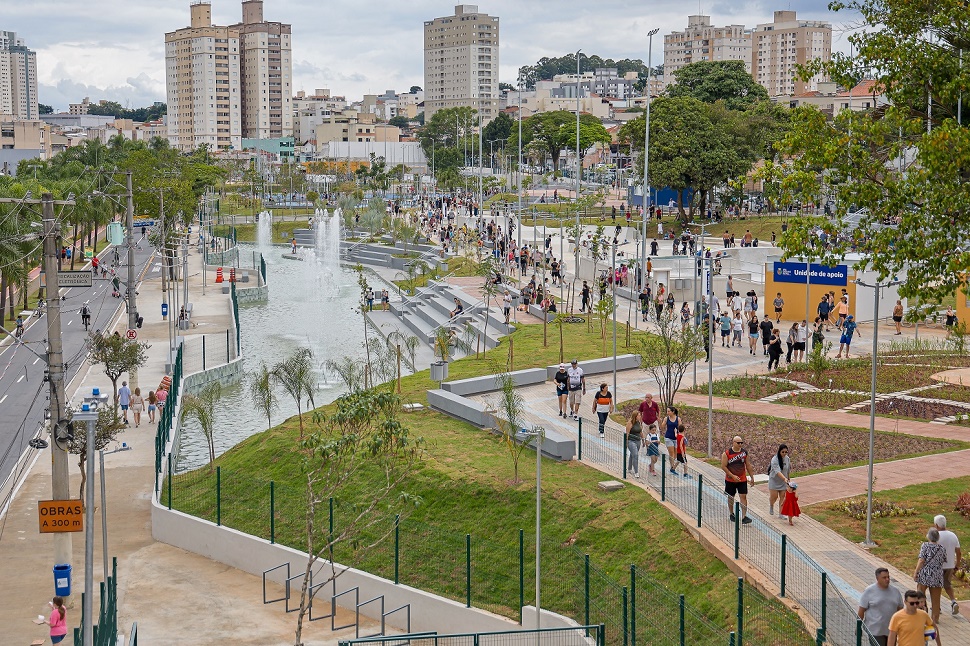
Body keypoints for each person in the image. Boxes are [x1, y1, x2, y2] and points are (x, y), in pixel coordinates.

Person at [859, 568, 905, 646]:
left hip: (891, 630)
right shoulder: (869, 591)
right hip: (875, 631)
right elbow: (861, 610)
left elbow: (900, 610)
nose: (887, 579)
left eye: (888, 577)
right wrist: (858, 626)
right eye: (884, 577)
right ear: (877, 578)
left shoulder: (895, 591)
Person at [914, 528, 947, 626]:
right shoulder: (942, 548)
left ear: (928, 536)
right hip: (937, 575)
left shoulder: (925, 546)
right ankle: (935, 620)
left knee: (920, 595)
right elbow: (944, 560)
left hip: (925, 574)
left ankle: (922, 615)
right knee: (936, 600)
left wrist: (916, 572)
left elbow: (921, 560)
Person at [932, 515, 962, 616]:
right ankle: (953, 602)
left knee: (936, 586)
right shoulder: (953, 535)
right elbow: (958, 552)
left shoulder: (935, 536)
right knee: (947, 584)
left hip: (938, 565)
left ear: (936, 525)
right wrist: (957, 564)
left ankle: (937, 607)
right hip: (950, 565)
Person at [721, 436, 754, 524]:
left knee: (743, 496)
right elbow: (723, 466)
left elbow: (748, 464)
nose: (740, 445)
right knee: (731, 496)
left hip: (742, 479)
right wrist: (732, 475)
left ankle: (744, 516)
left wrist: (751, 477)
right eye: (738, 443)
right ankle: (731, 513)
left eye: (741, 443)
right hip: (730, 480)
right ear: (733, 442)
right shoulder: (727, 453)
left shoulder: (744, 452)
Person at [625, 409, 644, 479]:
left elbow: (641, 432)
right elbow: (627, 433)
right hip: (631, 441)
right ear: (635, 416)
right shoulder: (630, 423)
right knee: (635, 455)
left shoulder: (639, 422)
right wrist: (626, 442)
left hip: (638, 441)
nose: (640, 416)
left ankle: (629, 468)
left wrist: (643, 440)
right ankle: (636, 472)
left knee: (632, 454)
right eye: (639, 415)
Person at [663, 406, 681, 472]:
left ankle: (672, 466)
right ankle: (672, 467)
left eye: (669, 411)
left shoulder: (678, 419)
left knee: (676, 454)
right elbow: (662, 426)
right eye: (667, 411)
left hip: (676, 438)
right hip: (668, 437)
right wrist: (661, 423)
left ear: (673, 412)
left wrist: (678, 433)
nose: (667, 413)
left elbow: (680, 428)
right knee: (671, 453)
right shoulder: (666, 418)